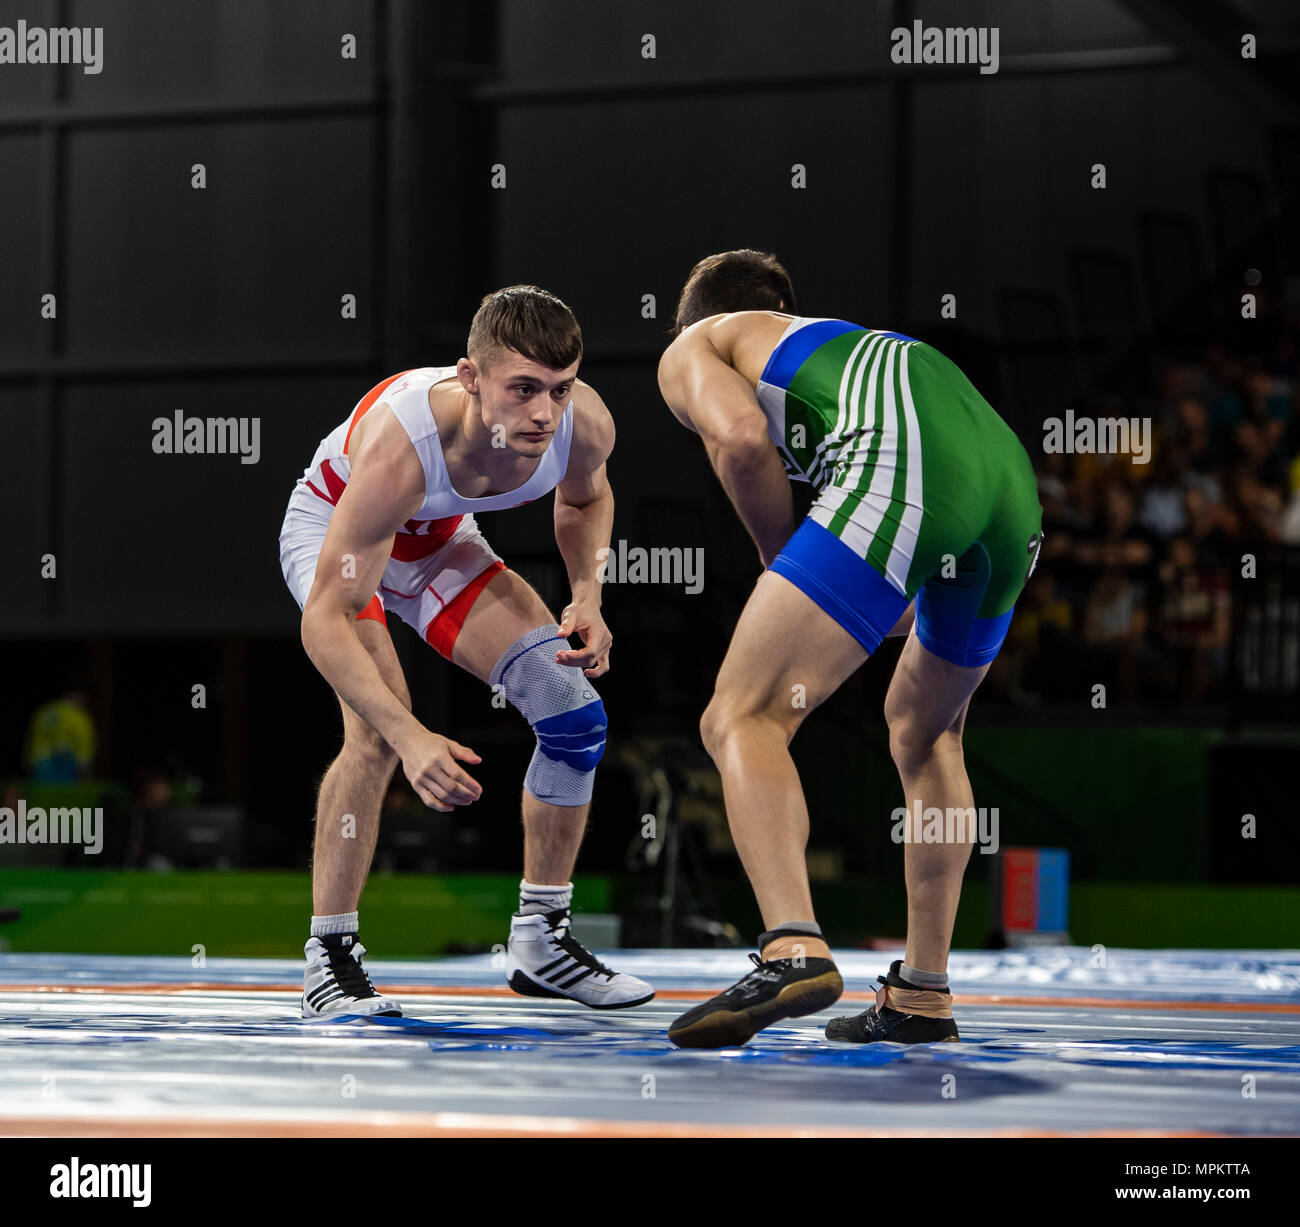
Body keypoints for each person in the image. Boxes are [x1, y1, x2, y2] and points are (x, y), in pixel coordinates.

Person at [656, 250, 1042, 1048]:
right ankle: (923, 994)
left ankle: (792, 945)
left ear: (692, 317)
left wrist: (777, 556)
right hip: (1008, 484)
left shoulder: (698, 343)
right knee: (925, 731)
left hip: (905, 464)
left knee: (741, 714)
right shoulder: (843, 347)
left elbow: (737, 439)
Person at [279, 285, 653, 1017]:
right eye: (522, 389)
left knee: (573, 715)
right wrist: (410, 736)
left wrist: (589, 595)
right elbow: (328, 618)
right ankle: (328, 954)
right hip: (337, 535)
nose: (543, 412)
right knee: (374, 737)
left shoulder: (584, 426)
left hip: (437, 538)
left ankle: (542, 939)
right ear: (470, 378)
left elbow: (584, 500)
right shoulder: (400, 443)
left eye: (559, 388)